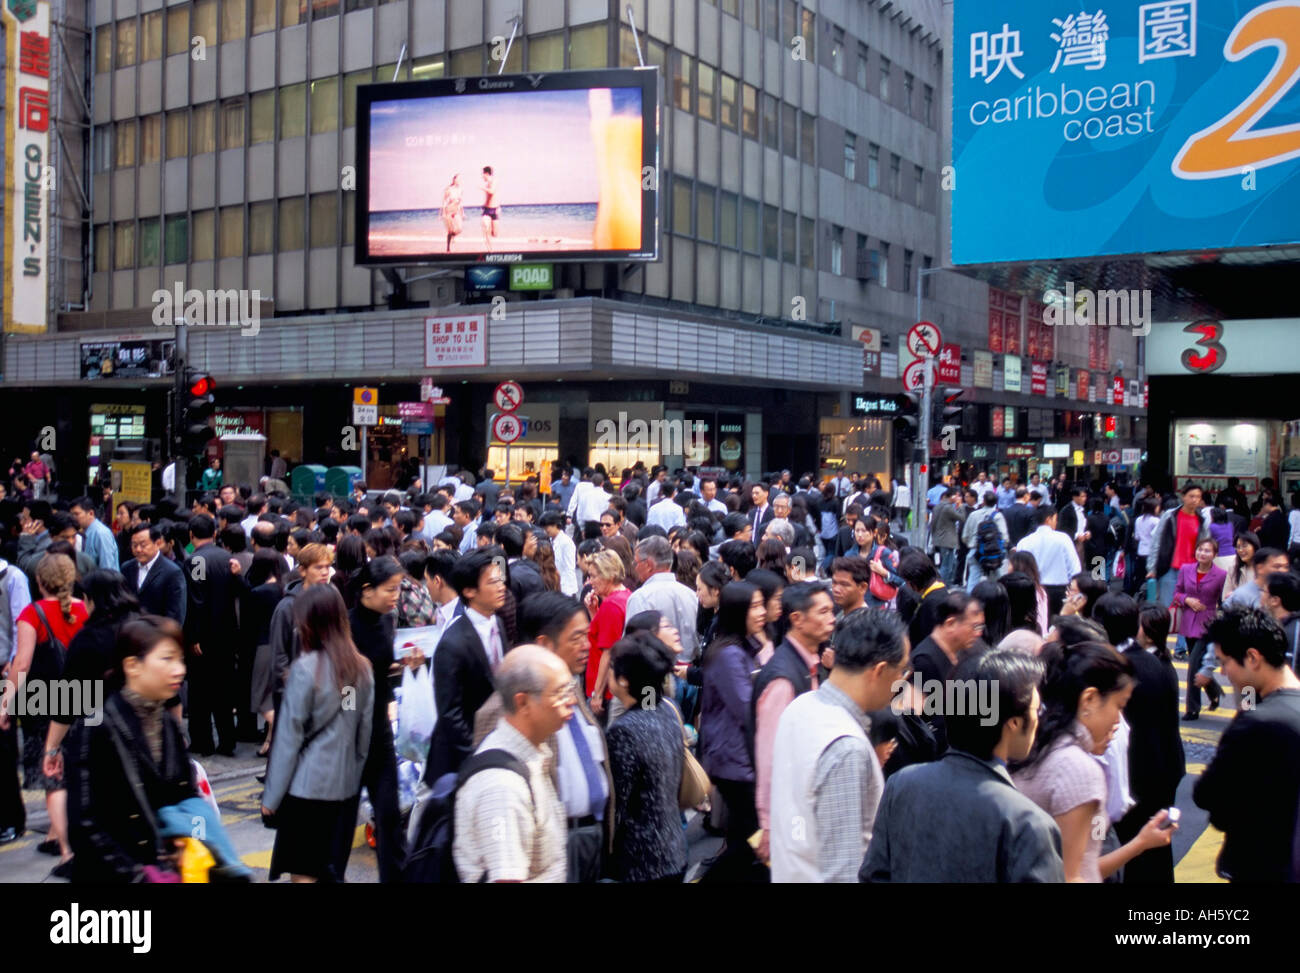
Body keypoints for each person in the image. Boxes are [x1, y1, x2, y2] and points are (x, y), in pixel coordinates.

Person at [863, 649, 1064, 883]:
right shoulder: (1029, 825)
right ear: (1015, 723)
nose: (1039, 718)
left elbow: (873, 875)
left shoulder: (903, 784)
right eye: (1036, 710)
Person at [1010, 641, 1175, 882]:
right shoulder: (1078, 769)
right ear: (1089, 700)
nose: (1119, 721)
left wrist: (1139, 843)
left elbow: (1082, 865)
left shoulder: (1041, 746)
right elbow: (1070, 876)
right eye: (1118, 705)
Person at [770, 609, 908, 882]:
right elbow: (842, 873)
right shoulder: (846, 749)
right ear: (879, 671)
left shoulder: (800, 706)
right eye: (902, 670)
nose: (904, 681)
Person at [64, 616, 195, 883]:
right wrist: (139, 878)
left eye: (180, 659)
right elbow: (85, 824)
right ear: (132, 666)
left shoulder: (167, 722)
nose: (179, 669)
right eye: (167, 659)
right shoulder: (96, 726)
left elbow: (187, 796)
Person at [261, 584, 375, 883]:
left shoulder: (305, 669)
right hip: (344, 789)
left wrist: (271, 797)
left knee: (304, 873)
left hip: (307, 788)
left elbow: (289, 738)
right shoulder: (359, 669)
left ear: (310, 622)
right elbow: (358, 731)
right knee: (329, 869)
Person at [1194, 606, 1300, 882]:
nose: (1223, 672)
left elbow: (1207, 794)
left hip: (1263, 867)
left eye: (1224, 662)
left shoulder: (1256, 724)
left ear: (1252, 657)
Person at [453, 645, 571, 883]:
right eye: (560, 693)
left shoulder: (531, 752)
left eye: (570, 690)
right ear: (523, 703)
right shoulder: (501, 787)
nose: (571, 701)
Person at [0, 554, 88, 872]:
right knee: (74, 765)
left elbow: (21, 664)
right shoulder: (84, 609)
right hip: (82, 694)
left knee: (53, 774)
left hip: (42, 699)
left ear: (39, 581)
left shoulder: (32, 613)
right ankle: (55, 832)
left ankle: (65, 848)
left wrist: (5, 703)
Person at [751, 581, 836, 863]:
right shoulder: (783, 679)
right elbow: (770, 756)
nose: (831, 618)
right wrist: (769, 824)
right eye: (823, 612)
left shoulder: (806, 665)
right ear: (797, 619)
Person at [1107, 601, 1184, 884]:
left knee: (1145, 844)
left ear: (1149, 632)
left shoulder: (1142, 667)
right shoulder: (1162, 664)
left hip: (1147, 768)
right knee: (1157, 845)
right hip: (1165, 764)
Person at [605, 631, 688, 883]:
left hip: (642, 860)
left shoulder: (624, 731)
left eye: (610, 668)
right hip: (674, 847)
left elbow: (619, 804)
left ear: (623, 681)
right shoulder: (663, 708)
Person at [698, 582, 768, 882]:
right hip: (733, 761)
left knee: (745, 836)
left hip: (737, 759)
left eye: (763, 604)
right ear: (738, 611)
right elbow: (746, 708)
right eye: (754, 606)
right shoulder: (730, 656)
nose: (762, 612)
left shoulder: (741, 649)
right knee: (752, 840)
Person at [426, 549, 508, 783]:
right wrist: (475, 753)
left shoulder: (497, 624)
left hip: (494, 743)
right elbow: (450, 713)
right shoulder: (452, 643)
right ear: (469, 591)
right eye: (493, 582)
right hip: (462, 758)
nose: (502, 586)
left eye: (500, 579)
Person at [184, 514, 239, 757]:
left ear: (191, 535)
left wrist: (194, 635)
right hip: (227, 633)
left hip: (204, 637)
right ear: (215, 534)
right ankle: (227, 741)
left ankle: (202, 741)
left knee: (200, 693)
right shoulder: (228, 558)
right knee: (225, 690)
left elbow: (197, 600)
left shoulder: (196, 560)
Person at [1174, 537, 1227, 720]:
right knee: (1198, 665)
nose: (1202, 553)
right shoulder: (1185, 569)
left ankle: (1192, 708)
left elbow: (1223, 600)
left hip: (1208, 625)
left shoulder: (1221, 575)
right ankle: (1214, 691)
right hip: (1188, 622)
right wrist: (1186, 599)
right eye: (1200, 550)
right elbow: (1177, 592)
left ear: (1214, 554)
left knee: (1194, 665)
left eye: (1207, 551)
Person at [623, 536, 699, 661]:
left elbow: (632, 643)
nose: (634, 567)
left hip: (656, 673)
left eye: (636, 563)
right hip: (690, 672)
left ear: (648, 565)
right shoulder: (691, 595)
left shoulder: (640, 598)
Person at [242, 549, 285, 758]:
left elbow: (248, 625)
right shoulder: (284, 588)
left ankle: (284, 730)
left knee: (259, 698)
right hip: (281, 646)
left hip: (263, 647)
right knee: (273, 695)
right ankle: (270, 741)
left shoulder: (258, 592)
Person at [583, 549, 631, 721]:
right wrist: (593, 612)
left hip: (607, 691)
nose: (590, 582)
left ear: (609, 575)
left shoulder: (611, 605)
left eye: (594, 576)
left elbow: (608, 651)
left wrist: (597, 693)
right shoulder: (625, 596)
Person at [1015, 505, 1081, 616]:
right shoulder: (1063, 539)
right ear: (1048, 519)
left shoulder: (1024, 542)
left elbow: (1018, 570)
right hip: (1058, 591)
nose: (1056, 523)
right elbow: (1075, 568)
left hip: (1032, 590)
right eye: (1055, 519)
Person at [120, 523, 186, 624]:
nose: (138, 549)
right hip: (130, 632)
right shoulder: (127, 568)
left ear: (157, 543)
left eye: (143, 545)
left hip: (156, 634)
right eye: (134, 545)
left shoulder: (172, 572)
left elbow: (175, 614)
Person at [69, 496, 119, 572]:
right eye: (72, 514)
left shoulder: (101, 533)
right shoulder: (83, 533)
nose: (73, 518)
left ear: (91, 513)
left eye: (76, 514)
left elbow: (107, 568)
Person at [930, 490, 963, 585]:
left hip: (940, 539)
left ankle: (945, 583)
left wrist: (934, 537)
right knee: (946, 565)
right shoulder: (948, 508)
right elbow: (962, 517)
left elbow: (933, 524)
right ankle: (943, 584)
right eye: (955, 496)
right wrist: (960, 506)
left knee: (949, 563)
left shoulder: (937, 507)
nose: (956, 498)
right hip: (947, 540)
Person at [1222, 530, 1259, 603]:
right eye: (1238, 547)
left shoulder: (1263, 570)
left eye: (1244, 546)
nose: (1241, 550)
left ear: (1254, 546)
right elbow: (1225, 598)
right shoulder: (1233, 570)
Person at [441, 173, 464, 251]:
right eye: (457, 179)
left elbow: (461, 202)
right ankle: (448, 248)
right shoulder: (449, 189)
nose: (459, 181)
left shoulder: (460, 189)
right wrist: (443, 213)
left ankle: (453, 236)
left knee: (460, 229)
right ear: (454, 180)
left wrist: (463, 212)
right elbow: (444, 202)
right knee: (450, 230)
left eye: (460, 179)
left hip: (456, 210)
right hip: (449, 210)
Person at [480, 166, 499, 250]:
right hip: (487, 210)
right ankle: (490, 250)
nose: (482, 176)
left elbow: (492, 192)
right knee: (486, 228)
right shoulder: (487, 184)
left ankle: (491, 232)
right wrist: (484, 205)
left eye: (483, 174)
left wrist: (482, 188)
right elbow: (488, 197)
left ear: (486, 174)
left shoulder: (494, 181)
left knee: (495, 234)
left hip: (495, 210)